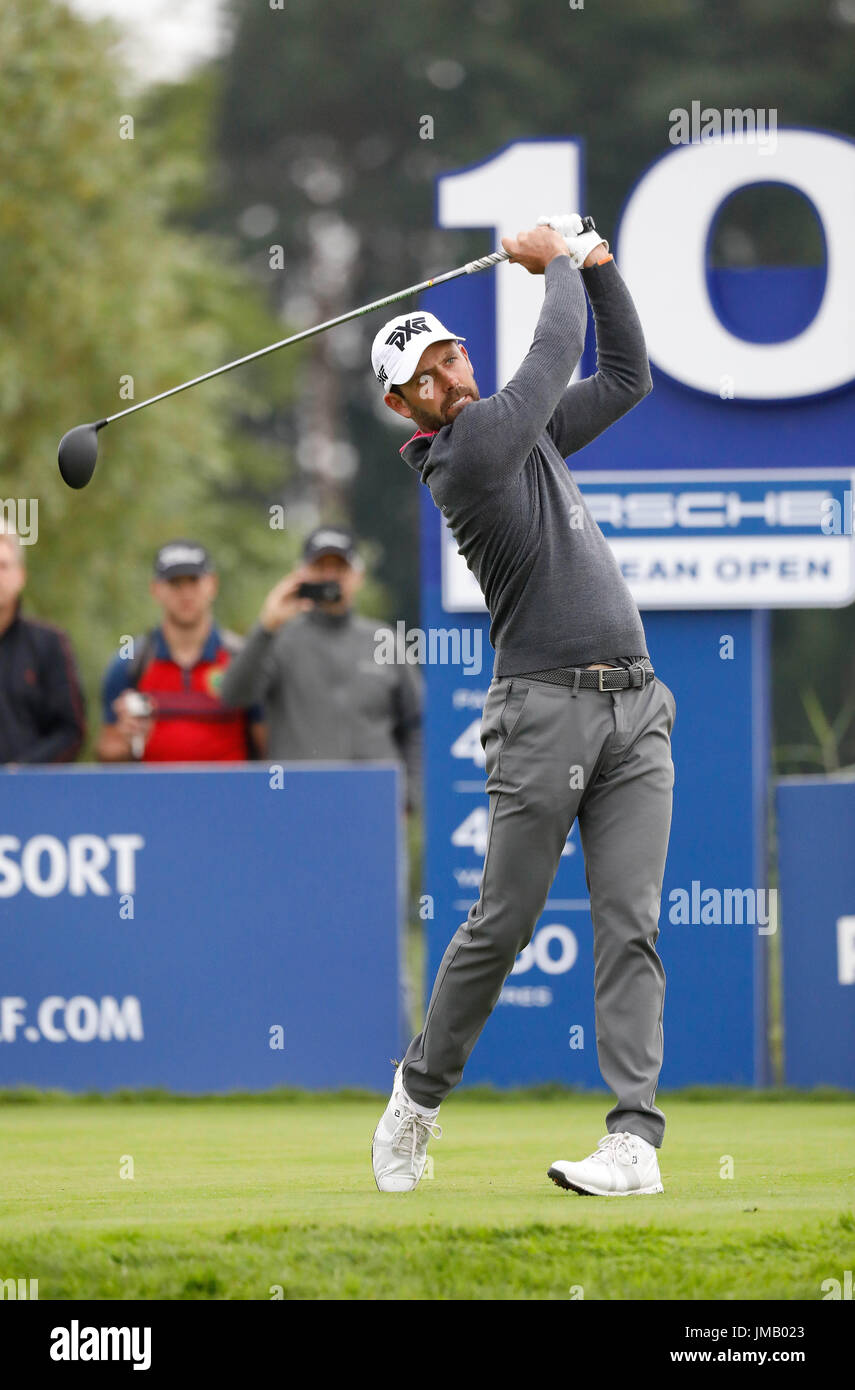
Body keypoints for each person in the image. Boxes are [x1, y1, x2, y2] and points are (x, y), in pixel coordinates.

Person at [369, 215, 676, 1196]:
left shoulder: (524, 429)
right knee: (503, 923)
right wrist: (553, 265)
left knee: (630, 922)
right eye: (430, 373)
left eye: (453, 354)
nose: (452, 375)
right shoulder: (467, 456)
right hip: (542, 712)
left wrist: (598, 265)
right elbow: (554, 353)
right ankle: (416, 1096)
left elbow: (626, 375)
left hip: (635, 705)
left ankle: (633, 1139)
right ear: (404, 402)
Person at [220, 525, 422, 814]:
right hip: (299, 809)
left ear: (358, 576)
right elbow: (234, 695)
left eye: (339, 567)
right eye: (319, 567)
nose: (330, 576)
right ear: (300, 574)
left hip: (375, 810)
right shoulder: (279, 640)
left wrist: (409, 794)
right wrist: (267, 625)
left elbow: (417, 723)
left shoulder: (385, 640)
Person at [97, 540, 264, 763]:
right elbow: (107, 757)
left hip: (232, 796)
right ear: (156, 589)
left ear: (212, 585)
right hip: (152, 796)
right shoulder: (129, 664)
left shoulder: (242, 661)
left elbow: (268, 751)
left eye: (194, 581)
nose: (185, 593)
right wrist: (125, 738)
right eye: (175, 582)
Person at [0, 528, 86, 765]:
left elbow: (71, 731)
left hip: (34, 795)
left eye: (3, 566)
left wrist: (22, 770)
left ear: (21, 575)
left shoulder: (49, 644)